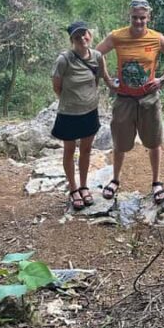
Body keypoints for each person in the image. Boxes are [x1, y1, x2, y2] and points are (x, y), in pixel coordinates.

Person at [95, 0, 164, 204]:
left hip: (149, 99)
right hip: (124, 99)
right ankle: (115, 179)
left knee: (154, 141)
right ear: (129, 16)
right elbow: (96, 54)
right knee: (120, 142)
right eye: (135, 17)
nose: (138, 22)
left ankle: (156, 182)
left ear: (148, 17)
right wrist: (107, 79)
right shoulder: (117, 36)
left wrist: (163, 79)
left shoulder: (156, 38)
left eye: (142, 18)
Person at [51, 21, 106, 210]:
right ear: (72, 40)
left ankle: (84, 186)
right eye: (77, 36)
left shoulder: (97, 56)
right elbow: (57, 87)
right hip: (69, 113)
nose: (82, 38)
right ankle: (73, 188)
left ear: (90, 34)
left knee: (86, 150)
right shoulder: (64, 60)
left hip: (90, 111)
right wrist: (72, 101)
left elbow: (97, 80)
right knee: (69, 150)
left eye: (85, 34)